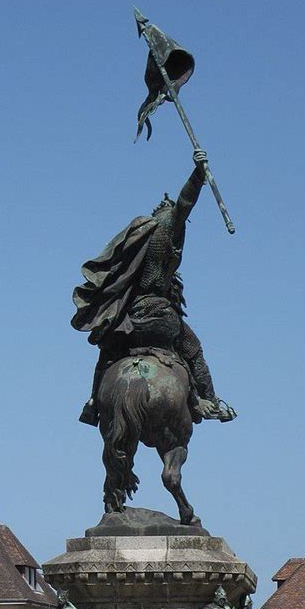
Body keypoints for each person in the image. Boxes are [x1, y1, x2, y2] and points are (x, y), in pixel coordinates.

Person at [72, 149, 235, 427]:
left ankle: (92, 404)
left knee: (108, 350)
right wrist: (197, 175)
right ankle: (211, 401)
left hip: (131, 319)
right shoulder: (166, 230)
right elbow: (185, 204)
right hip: (162, 318)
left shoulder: (137, 243)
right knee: (194, 349)